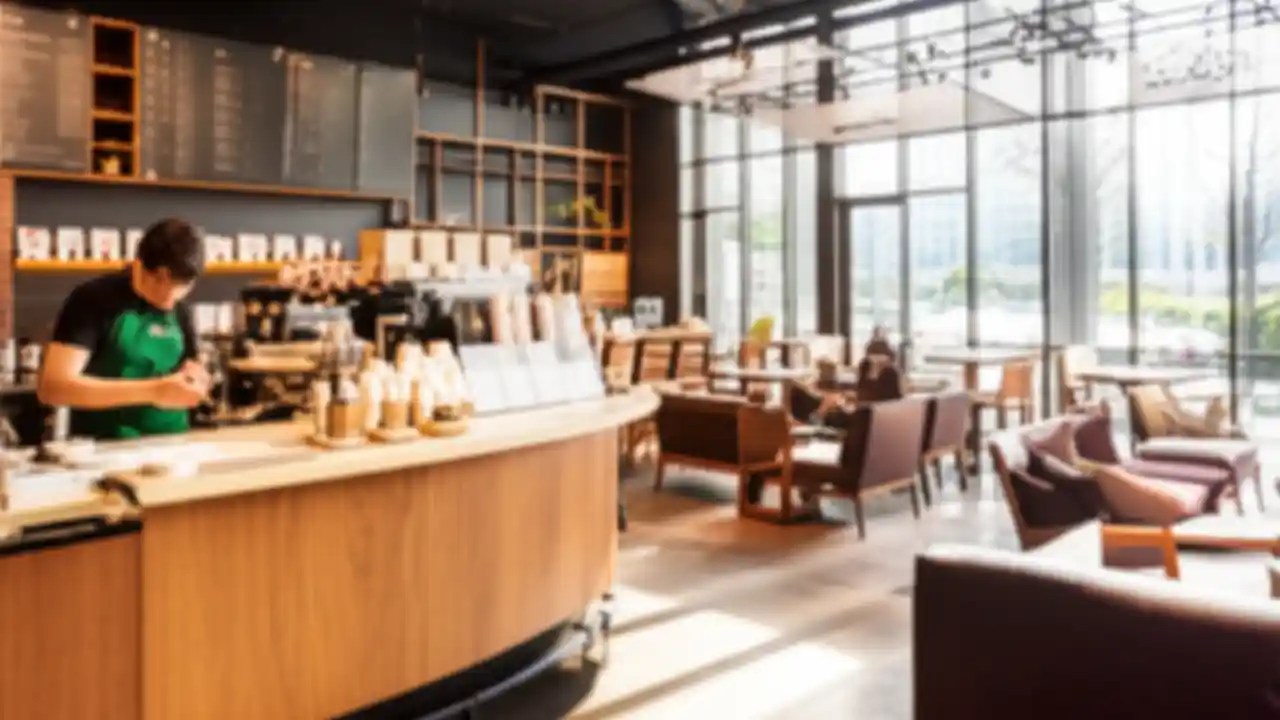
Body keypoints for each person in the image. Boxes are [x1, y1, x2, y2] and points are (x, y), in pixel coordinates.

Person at [38, 218, 210, 439]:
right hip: (105, 447)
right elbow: (53, 387)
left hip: (172, 447)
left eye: (182, 286)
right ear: (139, 263)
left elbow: (193, 366)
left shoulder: (181, 310)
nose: (170, 296)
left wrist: (198, 379)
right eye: (159, 281)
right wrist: (153, 391)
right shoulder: (93, 300)